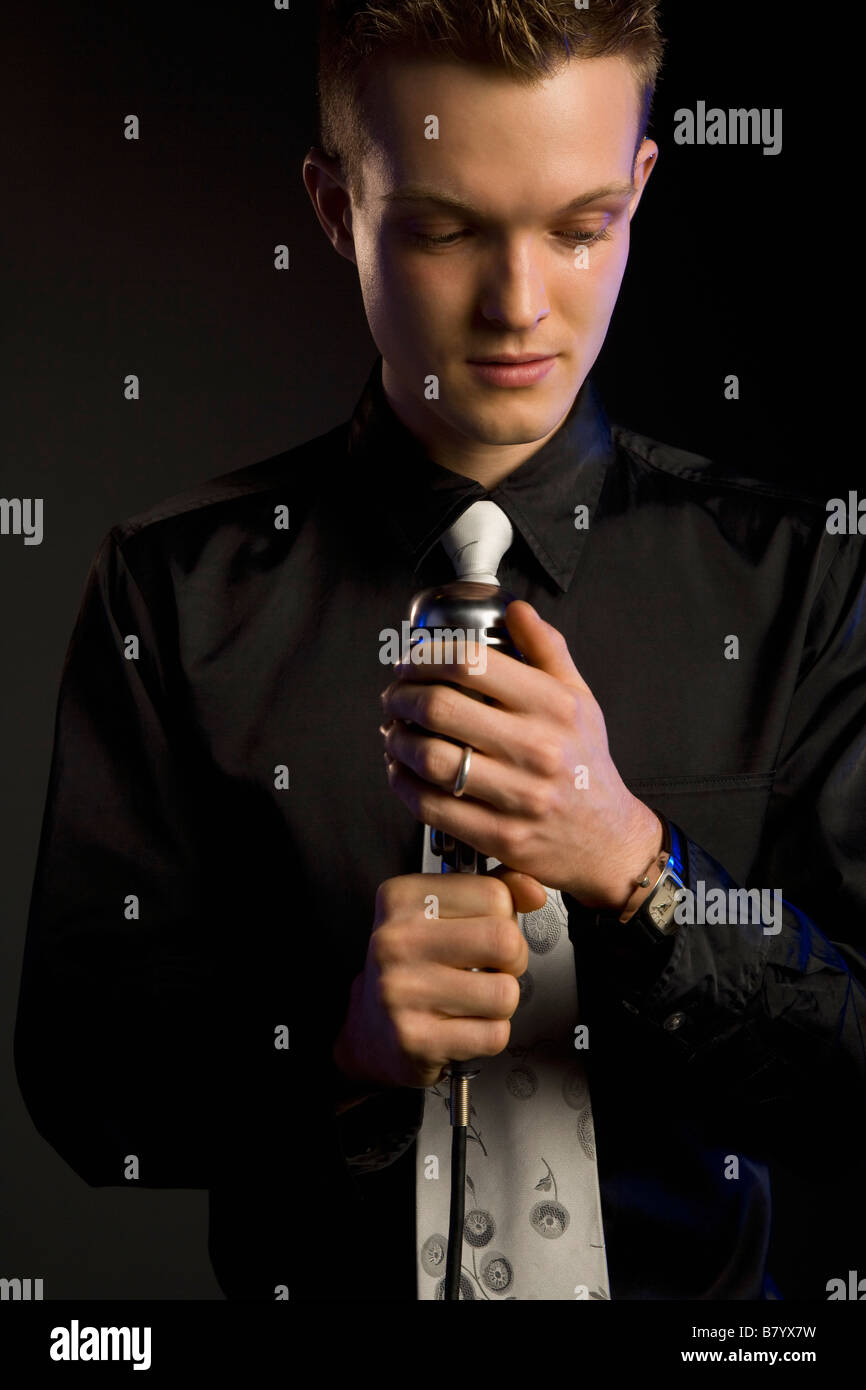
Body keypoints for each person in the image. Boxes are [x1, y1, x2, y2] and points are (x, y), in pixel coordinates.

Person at [14, 0, 865, 1302]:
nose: (520, 306)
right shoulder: (171, 587)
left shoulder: (806, 577)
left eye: (582, 228)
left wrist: (641, 873)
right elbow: (82, 1079)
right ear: (334, 204)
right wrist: (336, 1050)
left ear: (641, 187)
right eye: (444, 227)